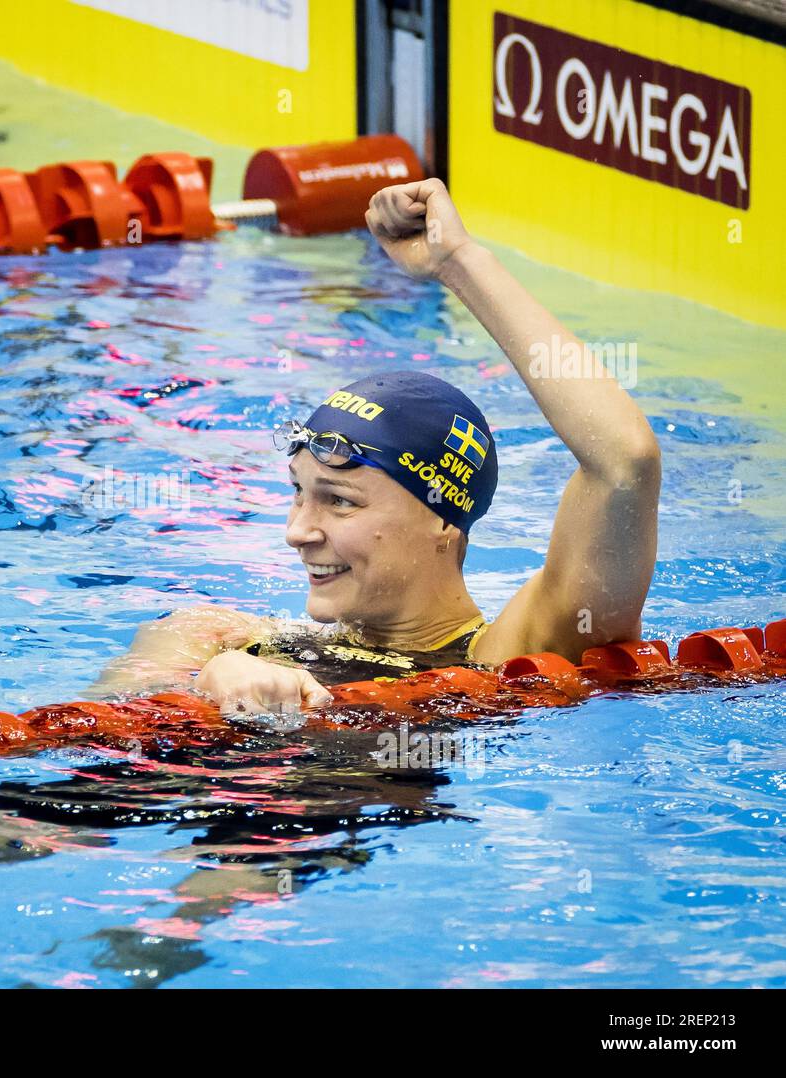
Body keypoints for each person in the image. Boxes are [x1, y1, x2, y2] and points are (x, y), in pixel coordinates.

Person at [89, 179, 662, 716]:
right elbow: (91, 741)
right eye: (298, 492)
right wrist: (209, 679)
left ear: (443, 518)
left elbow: (624, 463)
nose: (298, 531)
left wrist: (457, 262)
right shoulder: (215, 635)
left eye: (340, 500)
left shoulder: (514, 655)